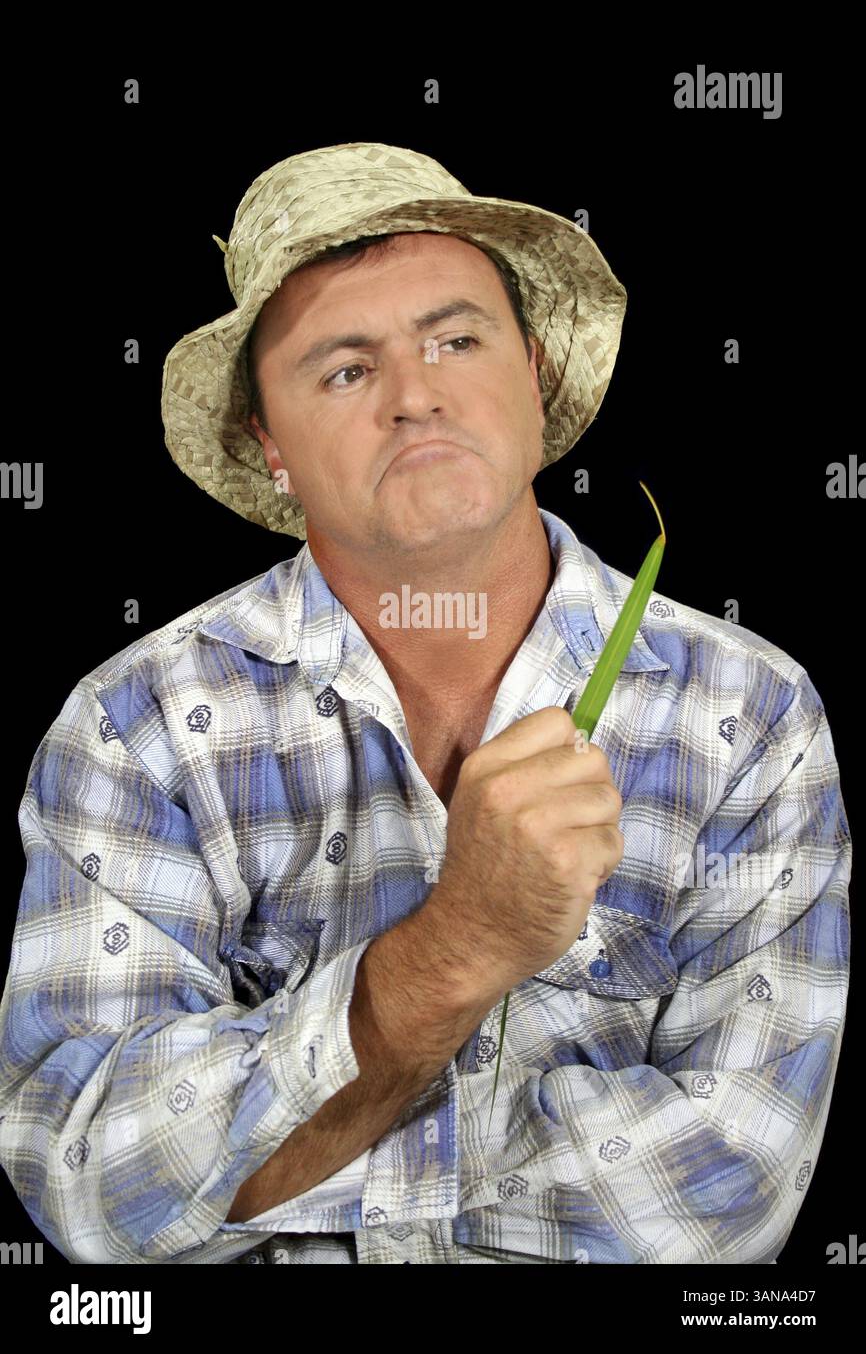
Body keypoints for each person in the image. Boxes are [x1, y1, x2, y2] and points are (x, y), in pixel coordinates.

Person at [0, 143, 851, 1265]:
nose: (415, 396)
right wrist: (453, 950)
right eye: (344, 370)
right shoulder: (138, 726)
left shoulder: (748, 714)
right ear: (270, 443)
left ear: (534, 378)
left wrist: (263, 1160)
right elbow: (92, 1185)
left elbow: (726, 1194)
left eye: (455, 339)